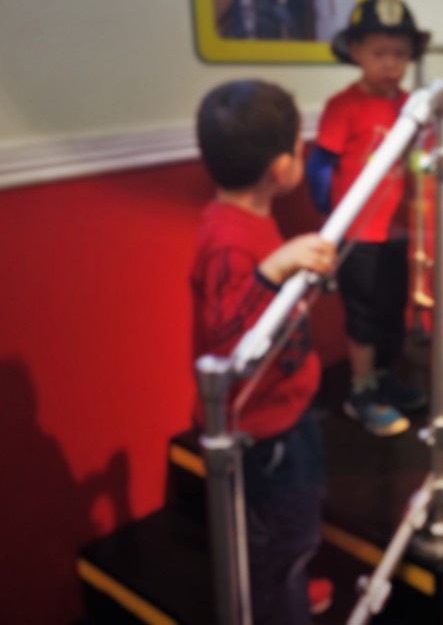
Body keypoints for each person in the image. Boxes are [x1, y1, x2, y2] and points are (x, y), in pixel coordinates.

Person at [190, 80, 338, 623]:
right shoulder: (230, 239)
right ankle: (283, 597)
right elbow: (230, 344)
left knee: (298, 523)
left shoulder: (247, 218)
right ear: (282, 167)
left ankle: (290, 580)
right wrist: (276, 268)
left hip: (287, 409)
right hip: (263, 432)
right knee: (280, 539)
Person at [307, 0, 429, 437]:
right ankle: (360, 392)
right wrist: (332, 220)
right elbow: (320, 166)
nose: (390, 64)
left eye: (399, 54)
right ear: (356, 52)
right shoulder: (344, 106)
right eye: (379, 53)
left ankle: (382, 378)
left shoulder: (409, 105)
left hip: (397, 231)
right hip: (358, 235)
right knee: (362, 315)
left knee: (391, 310)